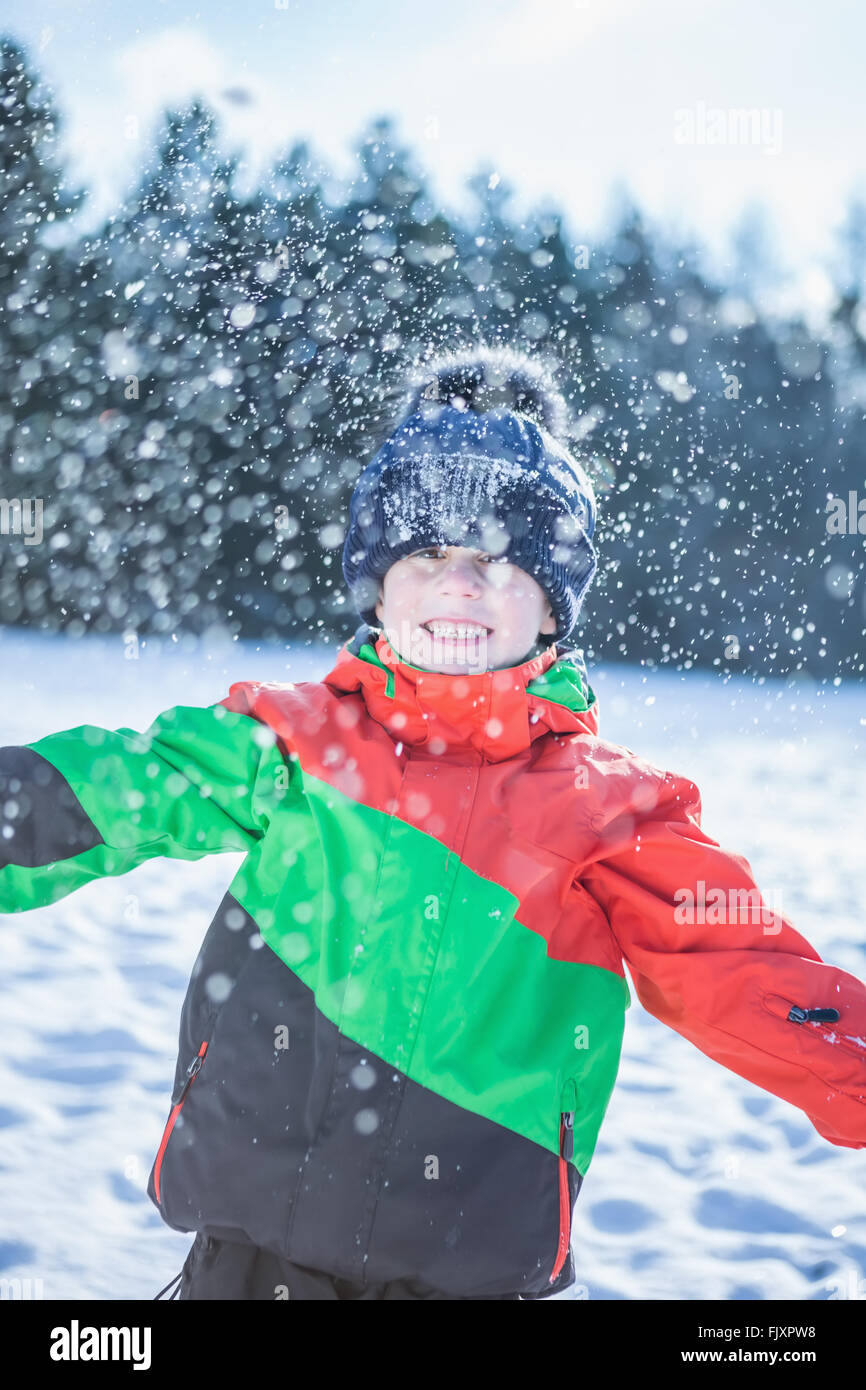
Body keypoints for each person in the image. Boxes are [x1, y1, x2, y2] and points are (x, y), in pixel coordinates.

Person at [2, 344, 865, 1302]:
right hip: (247, 1255)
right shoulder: (295, 744)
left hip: (464, 1264)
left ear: (552, 610)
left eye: (502, 561)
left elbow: (745, 970)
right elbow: (118, 787)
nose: (463, 584)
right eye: (427, 554)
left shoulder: (610, 811)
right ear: (377, 587)